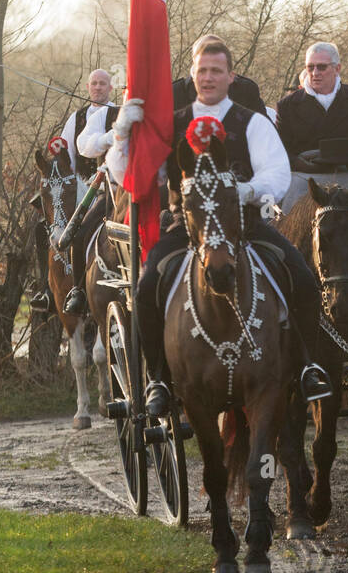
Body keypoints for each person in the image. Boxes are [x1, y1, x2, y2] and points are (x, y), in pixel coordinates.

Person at [105, 38, 331, 416]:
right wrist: (122, 133)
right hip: (187, 229)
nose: (208, 78)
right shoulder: (171, 124)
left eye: (216, 71)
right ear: (192, 74)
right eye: (202, 71)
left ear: (230, 76)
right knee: (145, 288)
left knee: (303, 278)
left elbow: (276, 173)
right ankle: (159, 378)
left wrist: (246, 191)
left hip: (245, 225)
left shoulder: (252, 122)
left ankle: (308, 365)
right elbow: (135, 176)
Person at [31, 69, 119, 315]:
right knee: (43, 227)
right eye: (94, 84)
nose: (98, 88)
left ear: (110, 88)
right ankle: (48, 290)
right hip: (79, 187)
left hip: (108, 185)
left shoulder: (118, 113)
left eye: (103, 84)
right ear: (89, 88)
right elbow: (66, 157)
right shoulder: (76, 118)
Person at [276, 42, 348, 174]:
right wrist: (297, 163)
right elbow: (279, 152)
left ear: (337, 69)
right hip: (305, 178)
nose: (315, 73)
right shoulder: (287, 107)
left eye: (321, 67)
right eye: (310, 67)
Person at [172, 34, 270, 117]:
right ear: (194, 59)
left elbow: (266, 131)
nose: (208, 78)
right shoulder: (176, 93)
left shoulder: (245, 90)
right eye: (203, 54)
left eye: (216, 70)